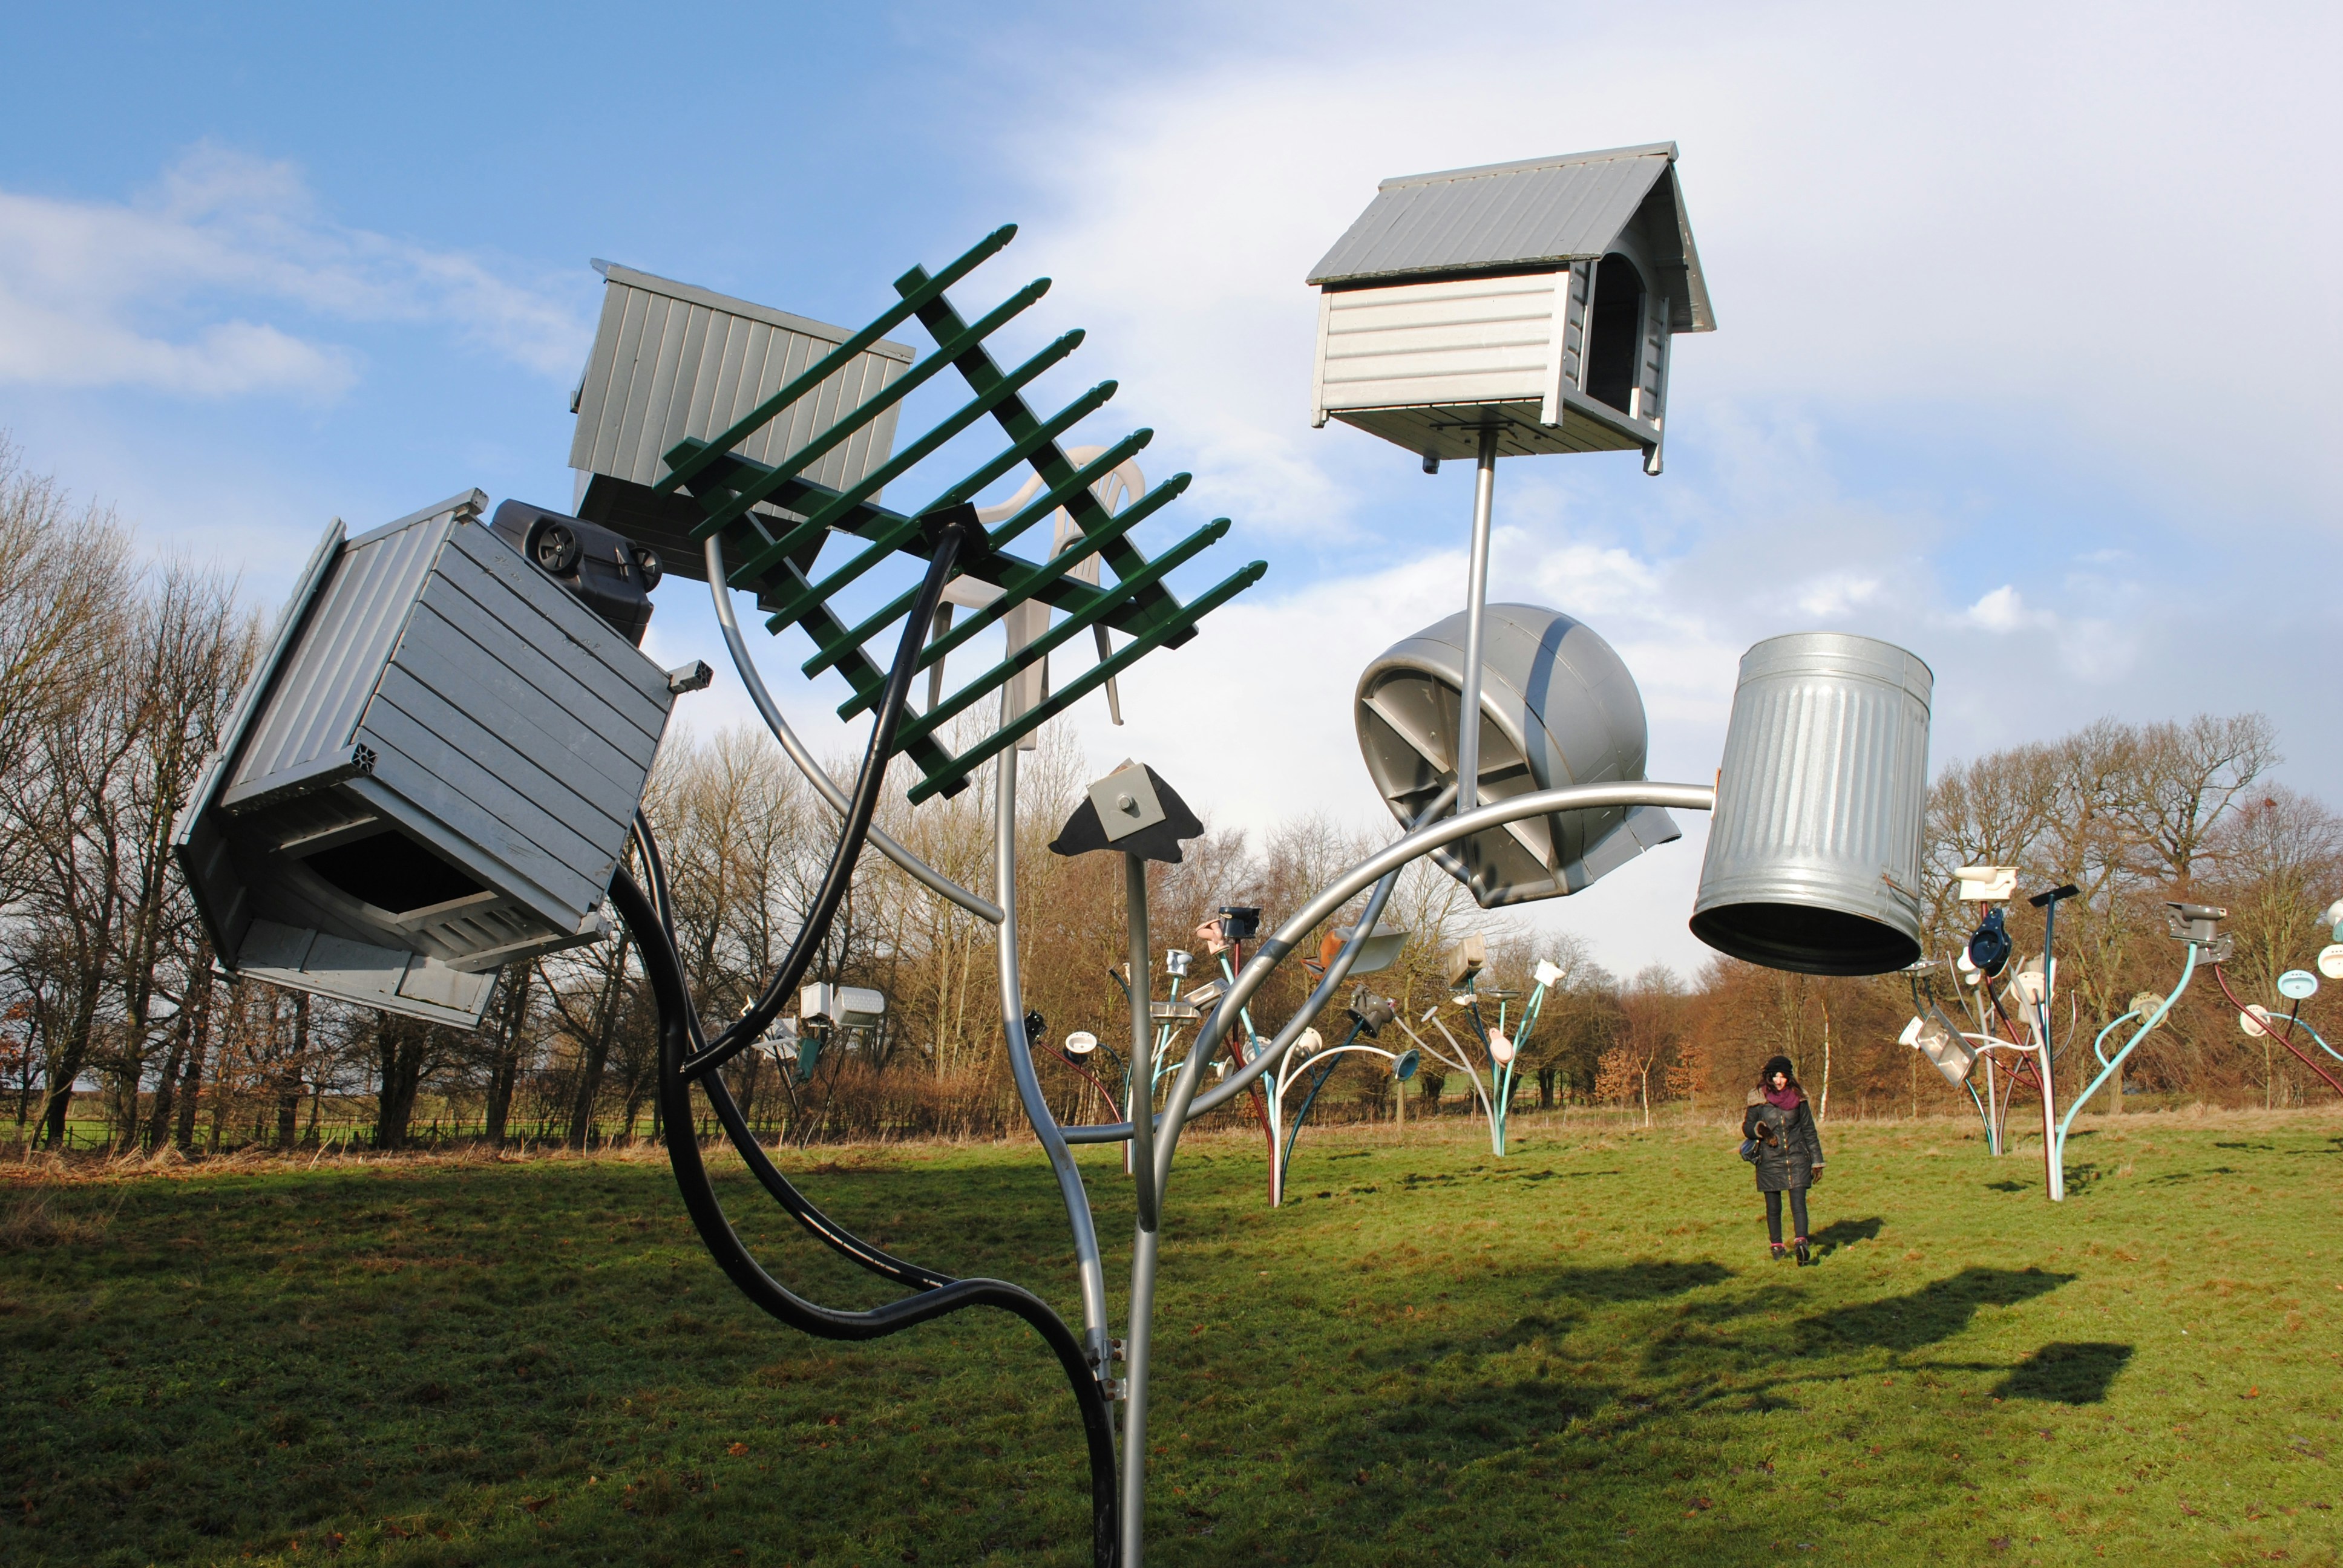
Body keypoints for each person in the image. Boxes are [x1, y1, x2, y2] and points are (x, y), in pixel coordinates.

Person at [1742, 1055, 1825, 1264]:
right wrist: (1760, 1130)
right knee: (1773, 1207)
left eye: (1783, 1076)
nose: (1779, 1081)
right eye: (1775, 1076)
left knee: (1799, 1204)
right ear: (1769, 1077)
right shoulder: (1758, 1100)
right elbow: (1747, 1128)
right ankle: (1777, 1245)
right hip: (1769, 1161)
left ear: (1789, 1077)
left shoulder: (1799, 1099)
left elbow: (1809, 1131)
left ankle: (1801, 1244)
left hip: (1798, 1158)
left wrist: (1817, 1162)